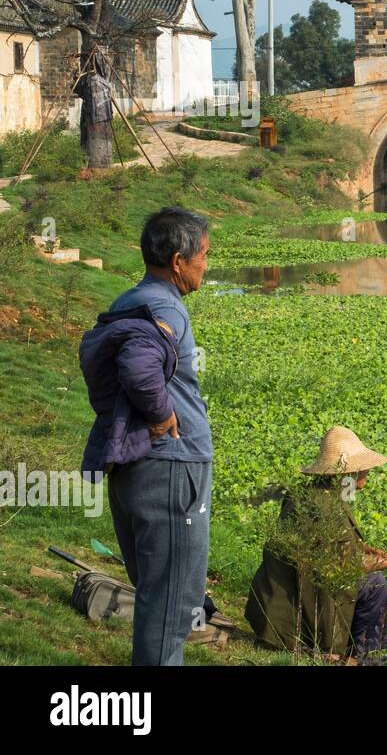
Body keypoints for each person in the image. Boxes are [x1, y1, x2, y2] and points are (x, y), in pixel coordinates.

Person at [79, 206, 213, 666]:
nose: (205, 266)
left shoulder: (130, 299)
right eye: (204, 257)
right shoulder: (163, 307)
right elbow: (138, 365)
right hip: (170, 470)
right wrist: (160, 415)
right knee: (171, 606)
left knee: (159, 595)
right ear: (179, 261)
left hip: (143, 469)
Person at [244, 426, 387, 660]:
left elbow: (328, 546)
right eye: (363, 467)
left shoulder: (317, 492)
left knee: (372, 581)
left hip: (281, 599)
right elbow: (347, 566)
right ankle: (353, 656)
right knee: (375, 584)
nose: (368, 471)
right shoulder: (324, 507)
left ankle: (346, 649)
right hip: (291, 615)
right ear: (347, 472)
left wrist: (373, 552)